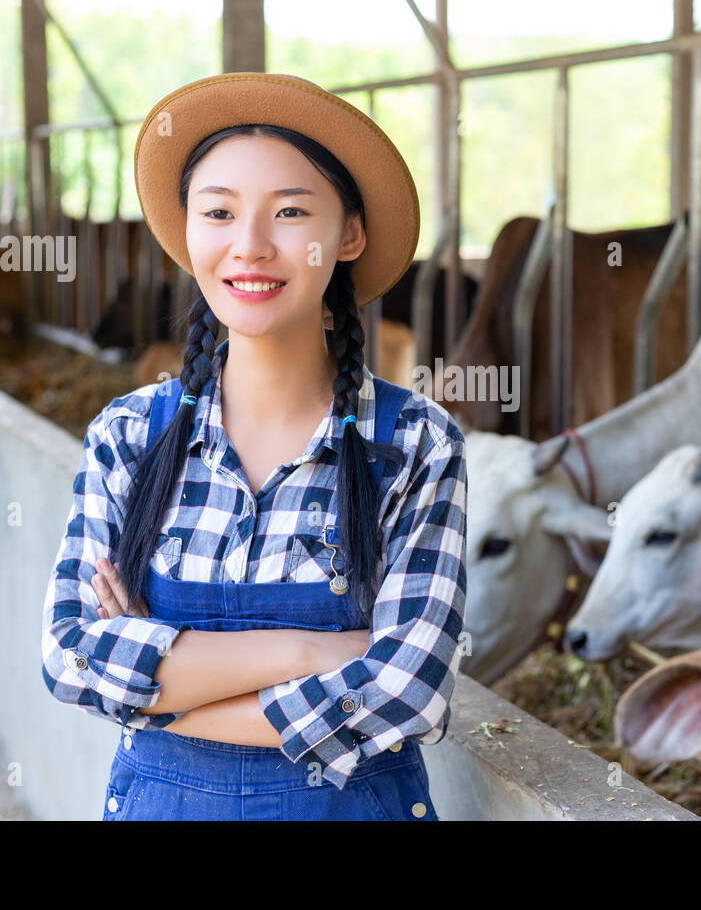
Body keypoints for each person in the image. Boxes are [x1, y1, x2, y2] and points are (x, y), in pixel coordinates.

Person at [39, 72, 468, 820]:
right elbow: (72, 657)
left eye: (291, 211)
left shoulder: (416, 446)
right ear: (190, 232)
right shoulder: (129, 436)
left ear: (350, 236)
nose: (250, 246)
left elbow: (407, 692)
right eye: (219, 212)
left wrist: (164, 695)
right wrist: (313, 653)